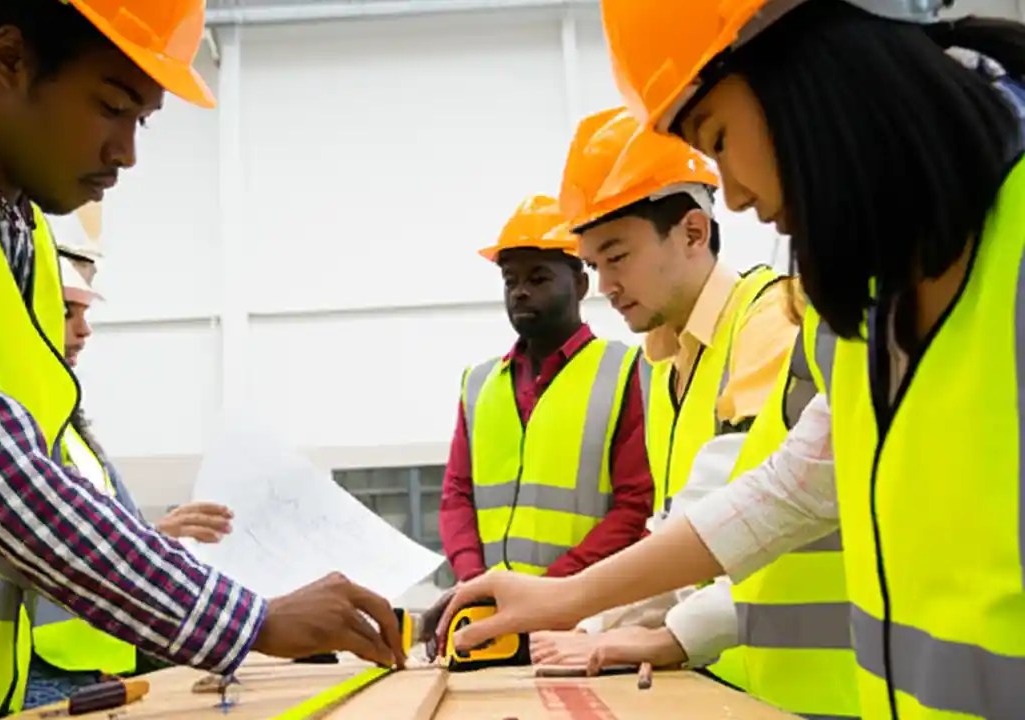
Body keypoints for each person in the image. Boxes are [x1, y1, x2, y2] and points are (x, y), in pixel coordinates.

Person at [0, 2, 403, 718]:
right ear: (10, 59)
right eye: (112, 108)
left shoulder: (17, 235)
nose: (127, 152)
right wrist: (247, 619)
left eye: (141, 120)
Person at [440, 1, 1025, 718]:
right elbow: (792, 489)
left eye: (718, 137)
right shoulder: (856, 306)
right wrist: (568, 597)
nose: (738, 195)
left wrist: (619, 618)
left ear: (819, 60)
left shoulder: (783, 317)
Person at [529, 108, 857, 719]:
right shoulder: (664, 361)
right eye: (595, 265)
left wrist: (596, 617)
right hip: (734, 680)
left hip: (820, 687)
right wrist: (589, 622)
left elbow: (745, 511)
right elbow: (677, 528)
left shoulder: (767, 323)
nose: (605, 284)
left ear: (692, 232)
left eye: (617, 256)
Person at [25, 219, 238, 708]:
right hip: (39, 677)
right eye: (66, 312)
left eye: (84, 313)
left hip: (96, 672)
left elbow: (116, 537)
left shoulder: (73, 432)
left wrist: (155, 536)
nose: (84, 330)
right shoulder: (15, 427)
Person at [438, 195, 652, 585]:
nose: (520, 291)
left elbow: (637, 506)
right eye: (510, 281)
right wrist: (475, 581)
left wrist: (551, 589)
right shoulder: (478, 383)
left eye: (538, 279)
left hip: (585, 606)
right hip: (492, 606)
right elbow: (457, 496)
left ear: (580, 284)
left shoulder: (626, 372)